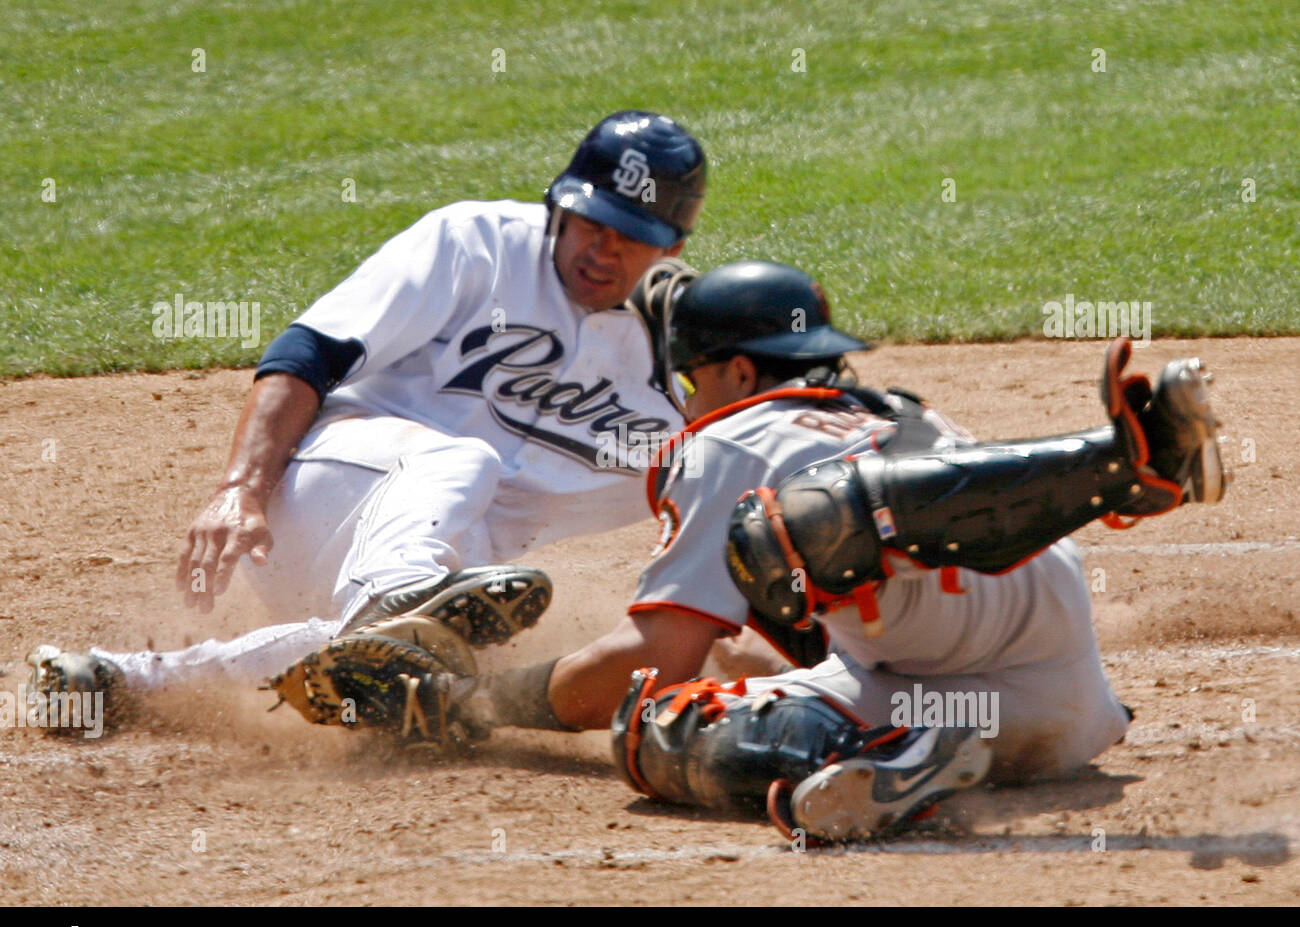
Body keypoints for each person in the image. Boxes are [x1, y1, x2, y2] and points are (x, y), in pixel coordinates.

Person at [283, 259, 1225, 843]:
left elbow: (656, 661)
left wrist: (483, 701)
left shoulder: (729, 441)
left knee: (657, 721)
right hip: (1069, 709)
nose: (683, 398)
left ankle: (904, 752)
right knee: (785, 611)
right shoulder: (903, 412)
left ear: (737, 372)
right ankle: (1109, 474)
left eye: (691, 377)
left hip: (951, 704)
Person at [27, 110, 707, 705]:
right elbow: (310, 350)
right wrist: (240, 489)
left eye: (630, 234)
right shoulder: (476, 244)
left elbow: (750, 490)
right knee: (458, 463)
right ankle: (399, 596)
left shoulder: (689, 365)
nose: (603, 247)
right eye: (591, 221)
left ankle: (126, 681)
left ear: (673, 246)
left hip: (454, 576)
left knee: (405, 668)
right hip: (319, 497)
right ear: (558, 203)